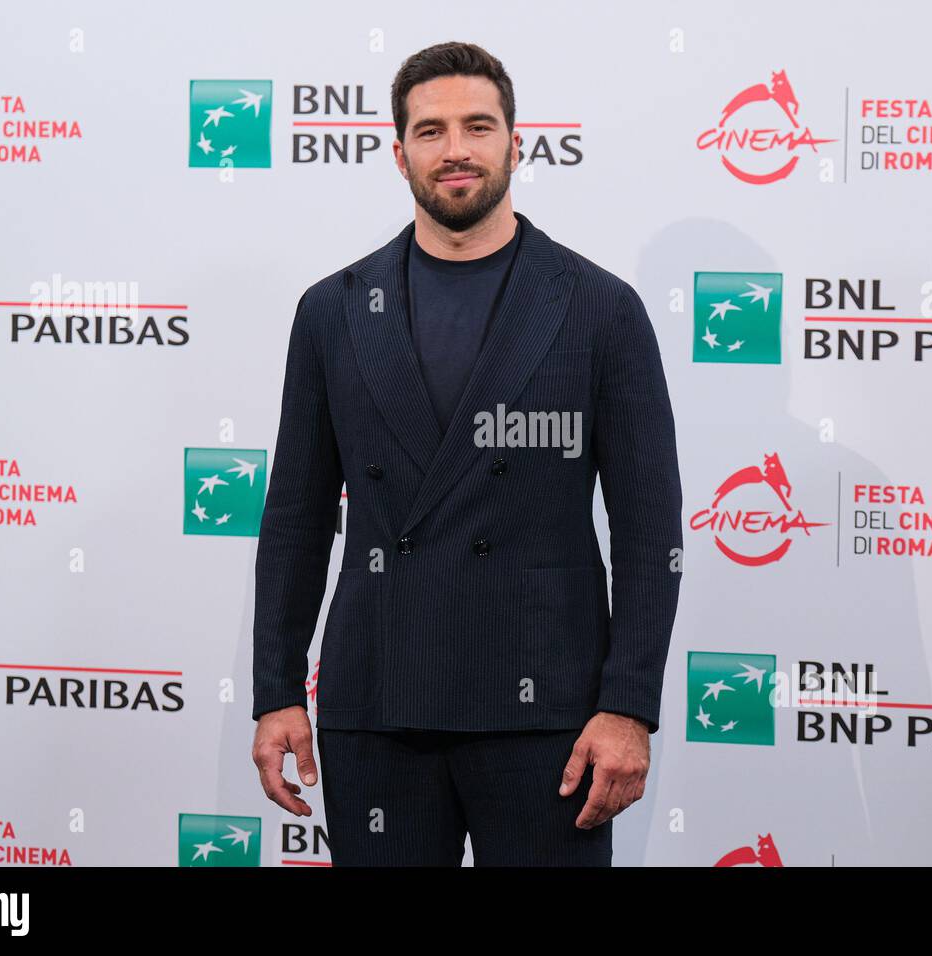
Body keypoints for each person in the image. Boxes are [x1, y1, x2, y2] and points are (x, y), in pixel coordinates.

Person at [250, 41, 682, 866]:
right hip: (378, 704)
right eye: (431, 130)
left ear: (516, 144)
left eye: (478, 127)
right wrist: (276, 691)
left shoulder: (600, 310)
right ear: (399, 152)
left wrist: (628, 706)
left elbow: (650, 529)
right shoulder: (332, 313)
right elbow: (298, 520)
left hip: (549, 712)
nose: (456, 149)